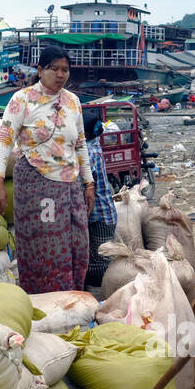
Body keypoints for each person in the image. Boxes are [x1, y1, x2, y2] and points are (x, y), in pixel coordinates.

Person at [0, 45, 94, 294]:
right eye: (54, 69)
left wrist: (88, 183)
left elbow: (80, 144)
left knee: (78, 246)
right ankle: (45, 302)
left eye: (65, 70)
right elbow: (5, 140)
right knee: (48, 249)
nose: (60, 74)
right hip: (38, 186)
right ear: (40, 70)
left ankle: (73, 299)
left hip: (70, 186)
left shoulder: (73, 102)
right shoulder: (23, 99)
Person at [82, 107, 117, 293]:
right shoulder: (93, 143)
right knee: (95, 259)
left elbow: (84, 181)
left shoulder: (89, 152)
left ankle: (101, 299)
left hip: (100, 216)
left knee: (99, 263)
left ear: (85, 132)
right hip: (97, 215)